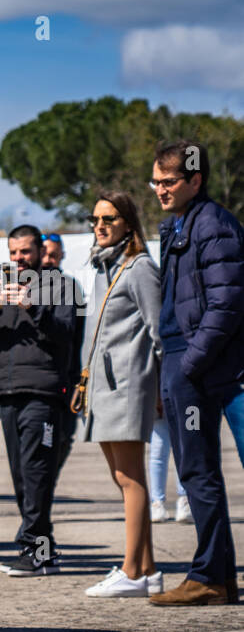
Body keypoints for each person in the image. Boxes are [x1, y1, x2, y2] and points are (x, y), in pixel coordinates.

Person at [148, 140, 244, 606]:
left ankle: (213, 575)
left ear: (195, 181)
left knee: (202, 472)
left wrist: (189, 362)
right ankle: (214, 577)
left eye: (169, 182)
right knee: (197, 472)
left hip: (207, 364)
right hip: (185, 362)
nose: (160, 189)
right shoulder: (177, 226)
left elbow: (226, 304)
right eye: (157, 181)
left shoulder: (215, 224)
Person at [77, 191, 163, 597]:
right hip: (104, 388)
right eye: (95, 219)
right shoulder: (104, 268)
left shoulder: (140, 268)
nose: (100, 226)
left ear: (128, 222)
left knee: (130, 478)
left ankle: (132, 572)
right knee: (125, 477)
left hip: (129, 386)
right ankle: (146, 568)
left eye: (108, 219)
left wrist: (162, 387)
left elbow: (160, 330)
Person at [0, 225, 74, 576]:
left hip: (44, 392)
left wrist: (34, 307)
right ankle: (42, 553)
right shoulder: (0, 286)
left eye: (26, 252)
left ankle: (36, 549)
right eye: (13, 252)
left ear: (40, 251)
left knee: (37, 474)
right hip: (7, 391)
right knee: (21, 475)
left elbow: (66, 334)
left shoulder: (62, 286)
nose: (19, 259)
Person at [41, 232, 88, 474]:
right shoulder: (27, 286)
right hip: (38, 379)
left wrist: (77, 380)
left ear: (62, 257)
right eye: (45, 254)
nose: (48, 259)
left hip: (67, 377)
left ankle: (49, 480)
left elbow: (76, 335)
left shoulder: (72, 289)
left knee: (64, 437)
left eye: (54, 255)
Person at [148, 418, 190, 522]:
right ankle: (157, 503)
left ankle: (185, 499)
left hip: (190, 407)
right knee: (159, 449)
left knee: (185, 448)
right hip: (163, 405)